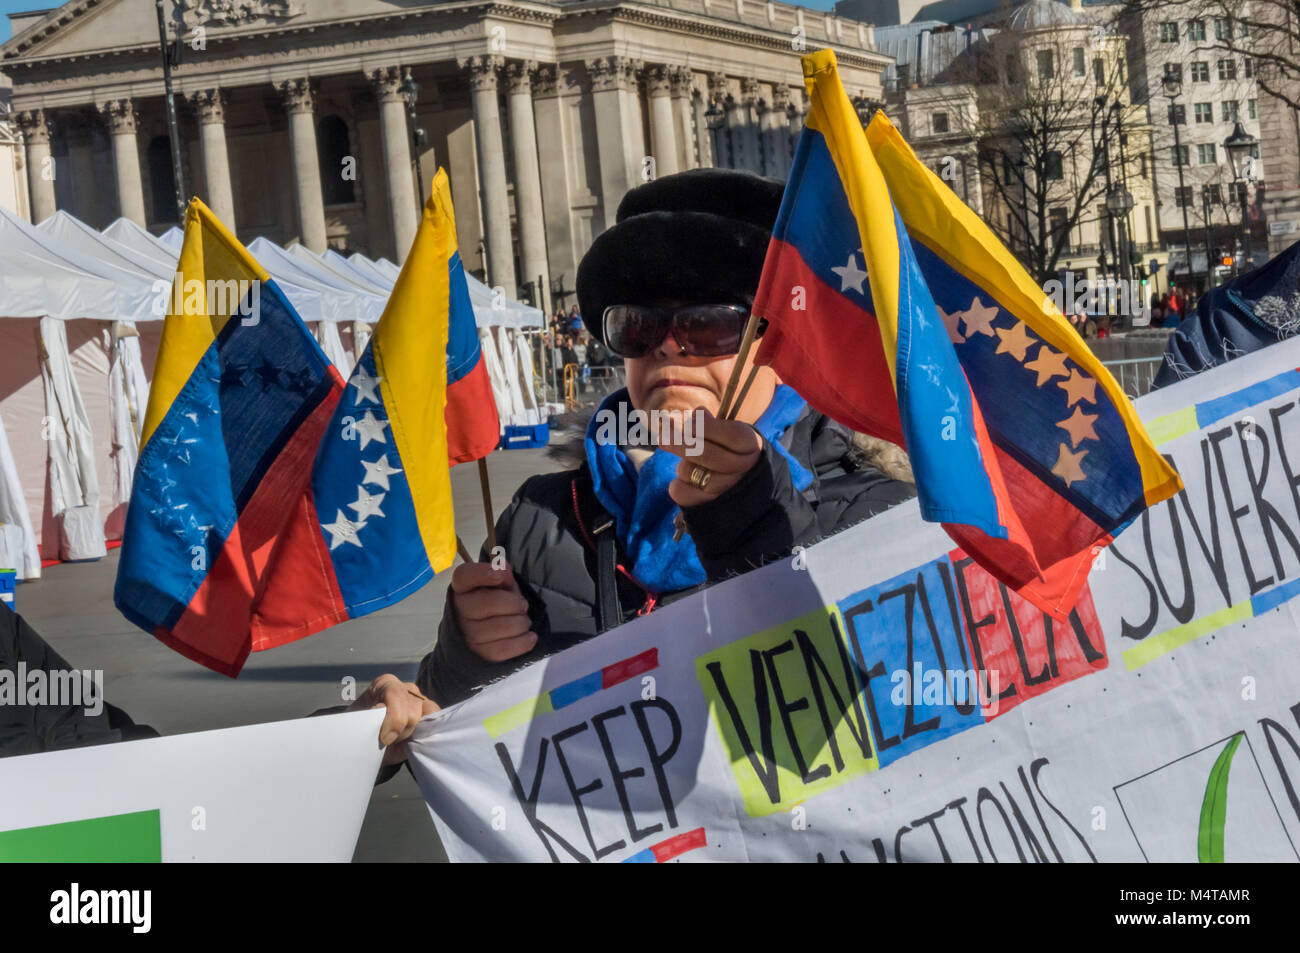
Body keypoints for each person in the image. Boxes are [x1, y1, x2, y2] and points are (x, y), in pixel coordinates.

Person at [351, 168, 917, 759]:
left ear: (788, 343)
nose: (670, 346)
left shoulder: (880, 511)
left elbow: (896, 742)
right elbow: (485, 765)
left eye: (710, 323)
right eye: (639, 326)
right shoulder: (540, 516)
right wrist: (452, 674)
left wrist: (749, 516)